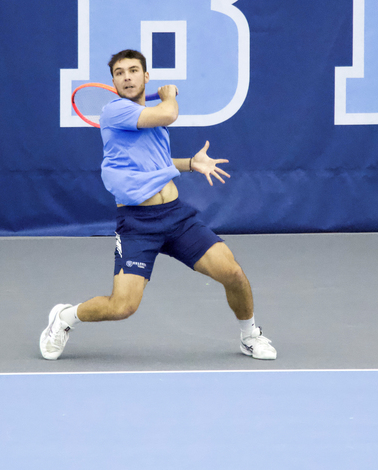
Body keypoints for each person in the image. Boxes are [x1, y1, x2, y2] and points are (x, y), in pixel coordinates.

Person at [40, 49, 277, 360]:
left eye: (133, 70)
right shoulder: (116, 112)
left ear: (145, 76)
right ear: (113, 82)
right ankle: (65, 318)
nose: (127, 76)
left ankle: (250, 335)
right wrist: (168, 95)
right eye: (120, 72)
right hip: (138, 224)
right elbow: (169, 113)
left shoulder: (148, 121)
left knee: (232, 272)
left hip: (177, 218)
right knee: (122, 306)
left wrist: (191, 163)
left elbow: (158, 163)